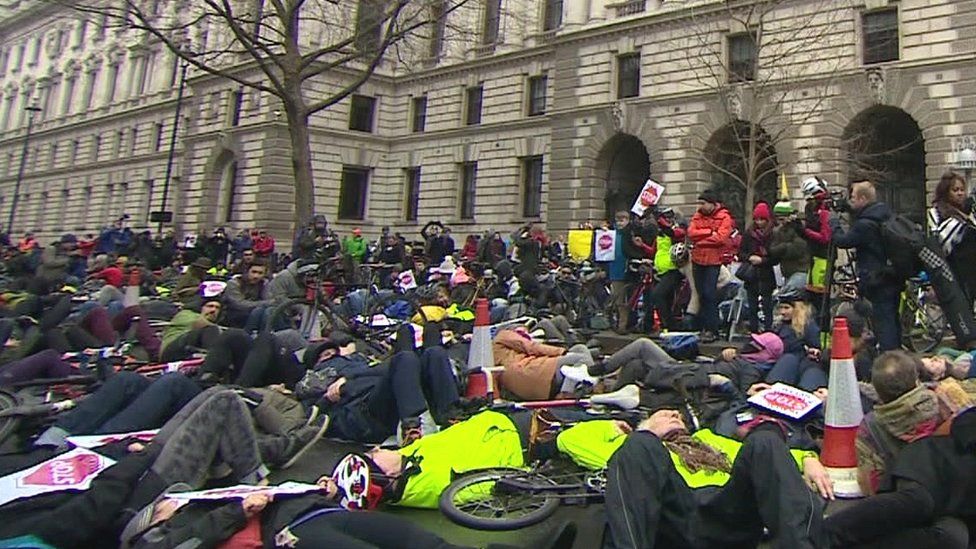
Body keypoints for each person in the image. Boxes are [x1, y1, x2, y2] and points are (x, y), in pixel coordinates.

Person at [604, 408, 830, 549]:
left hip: (724, 512)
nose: (674, 415)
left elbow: (766, 454)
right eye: (664, 415)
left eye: (677, 415)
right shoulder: (632, 446)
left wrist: (808, 457)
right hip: (677, 517)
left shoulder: (707, 438)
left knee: (765, 440)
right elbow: (569, 441)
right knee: (640, 445)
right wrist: (611, 428)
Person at [831, 180, 906, 351]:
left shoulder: (864, 225)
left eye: (852, 198)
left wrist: (834, 224)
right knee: (892, 319)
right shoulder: (883, 214)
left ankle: (889, 359)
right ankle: (896, 355)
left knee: (883, 323)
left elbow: (842, 241)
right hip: (891, 276)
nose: (850, 201)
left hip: (876, 280)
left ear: (863, 199)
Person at [687, 190, 735, 343]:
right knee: (700, 294)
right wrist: (709, 232)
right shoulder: (697, 216)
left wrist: (700, 241)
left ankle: (712, 329)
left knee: (709, 294)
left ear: (713, 204)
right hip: (697, 260)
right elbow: (691, 233)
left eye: (703, 203)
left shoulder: (724, 217)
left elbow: (720, 238)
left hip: (713, 261)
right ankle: (702, 327)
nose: (700, 206)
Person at [927, 171, 976, 307]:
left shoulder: (969, 212)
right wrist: (959, 223)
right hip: (952, 271)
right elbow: (939, 241)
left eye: (962, 190)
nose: (960, 193)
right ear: (946, 192)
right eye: (955, 190)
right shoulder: (936, 212)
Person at [764, 292, 825, 391]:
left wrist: (814, 351)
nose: (782, 312)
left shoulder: (808, 325)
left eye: (787, 308)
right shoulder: (777, 325)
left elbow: (816, 346)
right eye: (781, 308)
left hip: (802, 365)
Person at [739, 202, 776, 333]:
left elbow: (775, 257)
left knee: (767, 306)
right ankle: (754, 330)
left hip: (766, 274)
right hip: (751, 275)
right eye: (757, 219)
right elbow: (741, 252)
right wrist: (750, 258)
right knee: (752, 306)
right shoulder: (748, 234)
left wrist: (762, 260)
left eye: (762, 219)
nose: (759, 222)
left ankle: (768, 330)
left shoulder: (772, 234)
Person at [650, 208, 686, 333]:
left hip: (674, 270)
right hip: (661, 270)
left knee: (657, 295)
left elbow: (674, 234)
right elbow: (655, 251)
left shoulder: (678, 230)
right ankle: (669, 327)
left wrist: (659, 220)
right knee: (666, 299)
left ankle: (668, 325)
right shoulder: (660, 234)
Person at [800, 176, 833, 297]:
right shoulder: (812, 208)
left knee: (820, 296)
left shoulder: (825, 209)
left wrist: (805, 231)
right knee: (812, 293)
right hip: (813, 256)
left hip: (823, 258)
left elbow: (825, 237)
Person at [770, 199, 809, 295]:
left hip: (800, 270)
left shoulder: (799, 230)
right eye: (778, 219)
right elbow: (772, 249)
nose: (780, 223)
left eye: (782, 219)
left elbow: (796, 249)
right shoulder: (777, 231)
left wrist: (782, 248)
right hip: (786, 273)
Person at [224, 260, 274, 331]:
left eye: (260, 273)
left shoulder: (263, 283)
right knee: (259, 311)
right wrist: (265, 303)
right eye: (253, 272)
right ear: (247, 272)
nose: (256, 276)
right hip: (233, 314)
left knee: (269, 311)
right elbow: (239, 305)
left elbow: (268, 299)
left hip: (254, 314)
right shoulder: (234, 283)